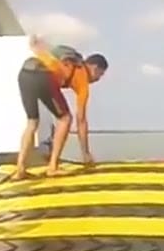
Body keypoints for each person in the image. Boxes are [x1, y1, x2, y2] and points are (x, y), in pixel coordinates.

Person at [11, 36, 108, 180]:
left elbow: (39, 50)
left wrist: (36, 43)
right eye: (100, 74)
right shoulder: (82, 77)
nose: (98, 79)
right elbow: (81, 120)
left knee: (32, 122)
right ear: (94, 68)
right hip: (43, 76)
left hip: (25, 73)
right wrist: (85, 153)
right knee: (65, 118)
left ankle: (20, 169)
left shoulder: (67, 61)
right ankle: (53, 167)